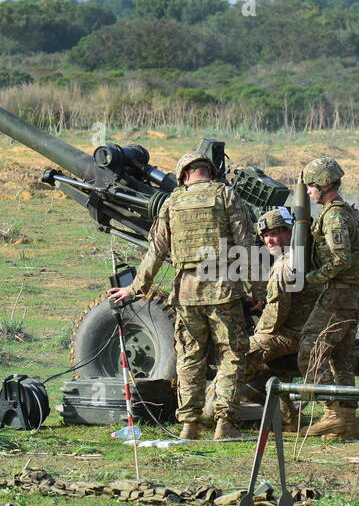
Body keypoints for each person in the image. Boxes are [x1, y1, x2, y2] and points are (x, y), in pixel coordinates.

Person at [108, 149, 255, 440]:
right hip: (223, 289)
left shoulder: (173, 202)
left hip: (187, 293)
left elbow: (156, 251)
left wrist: (134, 288)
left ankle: (189, 424)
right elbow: (246, 246)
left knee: (190, 357)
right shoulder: (226, 196)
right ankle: (225, 423)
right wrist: (255, 290)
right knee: (232, 355)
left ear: (184, 175)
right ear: (209, 172)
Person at [296, 156, 359, 440]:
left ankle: (332, 414)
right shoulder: (343, 211)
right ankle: (347, 422)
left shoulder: (335, 215)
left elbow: (340, 258)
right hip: (350, 295)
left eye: (312, 186)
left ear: (324, 185)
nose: (309, 191)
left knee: (310, 349)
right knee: (341, 358)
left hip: (339, 292)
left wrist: (311, 279)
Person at [241, 207, 319, 426]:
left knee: (238, 355)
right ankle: (289, 417)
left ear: (289, 233)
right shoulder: (297, 256)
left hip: (291, 335)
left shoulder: (286, 262)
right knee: (274, 369)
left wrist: (258, 334)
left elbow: (276, 313)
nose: (269, 240)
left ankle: (213, 415)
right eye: (265, 236)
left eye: (274, 234)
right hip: (301, 331)